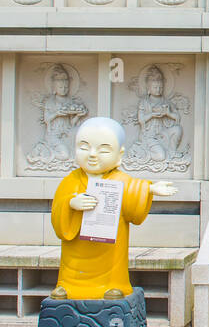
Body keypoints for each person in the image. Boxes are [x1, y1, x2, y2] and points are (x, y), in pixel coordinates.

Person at [50, 116, 177, 300]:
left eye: (103, 150)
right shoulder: (71, 180)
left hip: (109, 249)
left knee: (112, 268)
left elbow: (133, 191)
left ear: (120, 155)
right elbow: (58, 207)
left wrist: (150, 189)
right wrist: (70, 204)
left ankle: (113, 284)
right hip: (77, 248)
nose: (92, 154)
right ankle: (67, 285)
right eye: (84, 147)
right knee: (72, 266)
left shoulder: (119, 180)